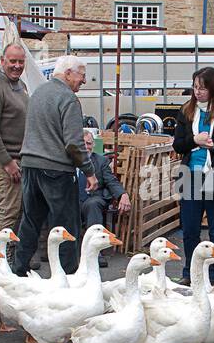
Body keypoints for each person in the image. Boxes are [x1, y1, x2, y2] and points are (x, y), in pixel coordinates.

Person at [13, 56, 96, 276]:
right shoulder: (68, 99)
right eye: (82, 75)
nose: (84, 81)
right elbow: (74, 143)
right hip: (56, 169)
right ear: (68, 73)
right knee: (66, 226)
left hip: (30, 164)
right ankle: (68, 277)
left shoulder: (38, 93)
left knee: (30, 221)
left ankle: (17, 272)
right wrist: (89, 172)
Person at [172, 66, 214, 282]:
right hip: (190, 175)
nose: (197, 92)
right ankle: (191, 274)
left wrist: (212, 145)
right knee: (190, 229)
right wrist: (194, 141)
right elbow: (178, 145)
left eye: (202, 88)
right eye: (195, 87)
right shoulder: (186, 111)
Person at [0, 43, 31, 249]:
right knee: (8, 211)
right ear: (3, 61)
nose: (17, 66)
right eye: (12, 61)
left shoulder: (21, 86)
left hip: (21, 158)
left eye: (20, 62)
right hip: (7, 160)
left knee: (18, 210)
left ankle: (13, 255)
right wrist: (7, 162)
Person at [79, 130, 131, 268]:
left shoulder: (101, 161)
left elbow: (111, 181)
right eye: (82, 143)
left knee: (93, 204)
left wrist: (123, 194)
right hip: (72, 199)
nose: (86, 146)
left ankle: (95, 252)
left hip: (94, 199)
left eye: (89, 143)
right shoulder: (69, 160)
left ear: (93, 144)